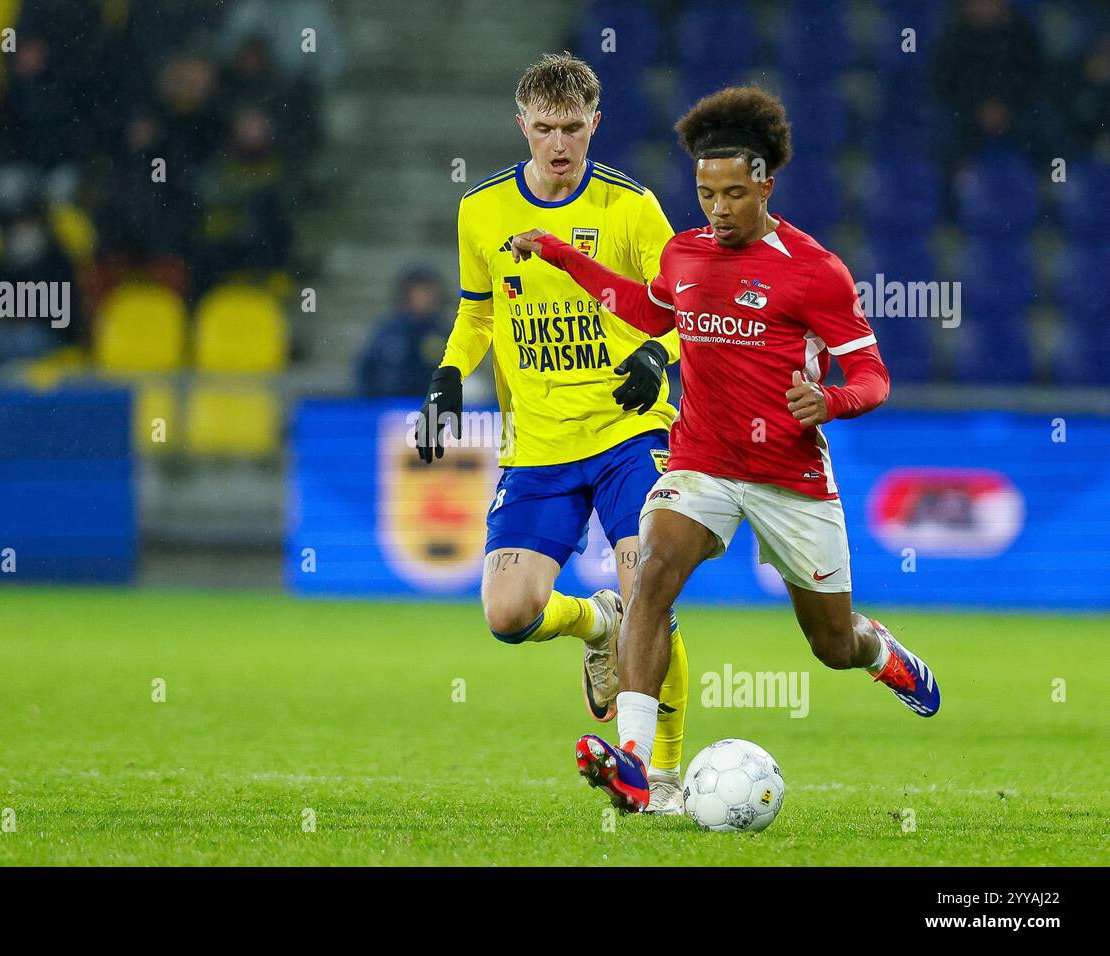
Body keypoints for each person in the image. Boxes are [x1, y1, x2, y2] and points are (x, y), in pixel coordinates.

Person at [509, 86, 940, 814]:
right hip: (702, 461)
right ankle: (638, 764)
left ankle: (882, 653)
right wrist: (558, 255)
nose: (718, 209)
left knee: (830, 643)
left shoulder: (814, 271)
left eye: (735, 194)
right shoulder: (685, 254)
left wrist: (830, 401)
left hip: (789, 477)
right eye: (707, 194)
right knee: (650, 574)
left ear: (767, 182)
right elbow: (645, 310)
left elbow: (873, 376)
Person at [416, 53, 690, 812]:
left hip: (628, 433)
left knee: (652, 591)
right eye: (544, 129)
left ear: (594, 124)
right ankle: (595, 621)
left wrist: (654, 356)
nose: (559, 145)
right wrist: (447, 374)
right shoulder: (482, 210)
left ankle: (660, 775)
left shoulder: (631, 209)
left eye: (573, 128)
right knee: (507, 615)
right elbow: (478, 312)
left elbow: (683, 309)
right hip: (536, 443)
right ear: (522, 127)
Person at [355, 267, 450, 398]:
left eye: (431, 292)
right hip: (390, 404)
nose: (428, 297)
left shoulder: (443, 332)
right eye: (422, 291)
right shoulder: (389, 331)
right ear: (408, 294)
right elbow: (367, 370)